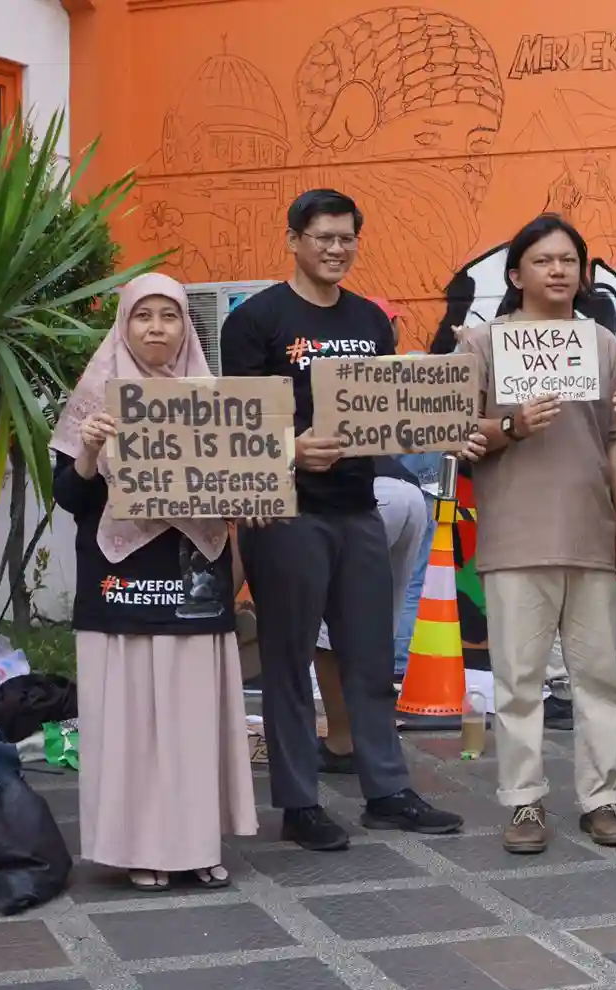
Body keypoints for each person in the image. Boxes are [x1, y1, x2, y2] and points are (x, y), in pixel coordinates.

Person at [221, 188, 477, 850]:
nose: (336, 249)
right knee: (287, 662)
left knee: (368, 658)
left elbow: (388, 413)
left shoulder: (370, 321)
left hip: (359, 508)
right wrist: (291, 449)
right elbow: (238, 429)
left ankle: (387, 791)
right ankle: (299, 802)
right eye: (323, 237)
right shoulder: (254, 322)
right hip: (285, 515)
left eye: (346, 239)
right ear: (294, 240)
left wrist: (437, 426)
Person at [52, 273, 258, 891]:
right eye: (144, 316)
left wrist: (257, 489)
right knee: (133, 722)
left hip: (193, 576)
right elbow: (69, 496)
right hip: (122, 581)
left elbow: (244, 485)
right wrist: (88, 453)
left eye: (169, 316)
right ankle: (140, 848)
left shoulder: (214, 398)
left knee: (194, 720)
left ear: (185, 326)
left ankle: (196, 844)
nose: (157, 328)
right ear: (124, 324)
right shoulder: (94, 399)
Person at [455, 213, 616, 855]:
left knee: (600, 678)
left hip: (593, 532)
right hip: (513, 535)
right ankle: (524, 802)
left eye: (568, 260)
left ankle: (602, 798)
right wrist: (511, 426)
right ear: (515, 274)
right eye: (543, 260)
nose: (558, 270)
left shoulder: (605, 344)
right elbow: (458, 437)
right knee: (518, 680)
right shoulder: (481, 344)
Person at [316, 464, 428, 772]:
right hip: (408, 492)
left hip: (361, 495)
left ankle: (342, 743)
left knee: (326, 630)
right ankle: (377, 744)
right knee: (379, 626)